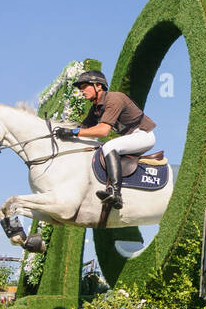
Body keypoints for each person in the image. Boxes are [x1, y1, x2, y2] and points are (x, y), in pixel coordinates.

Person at [55, 69, 157, 210]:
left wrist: (73, 132)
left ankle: (115, 193)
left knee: (109, 146)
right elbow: (83, 127)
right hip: (132, 137)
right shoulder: (96, 108)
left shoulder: (114, 99)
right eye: (80, 88)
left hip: (143, 135)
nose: (82, 91)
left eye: (84, 87)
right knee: (96, 146)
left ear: (98, 86)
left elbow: (103, 131)